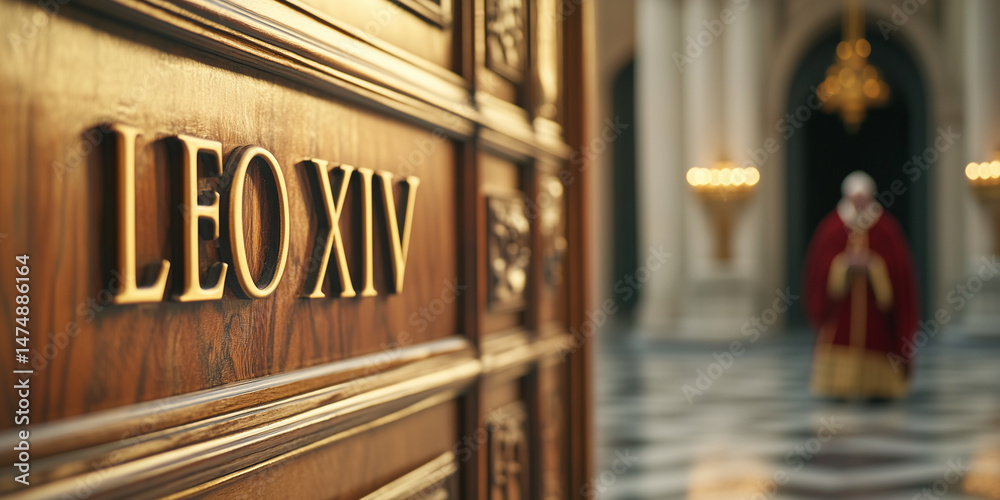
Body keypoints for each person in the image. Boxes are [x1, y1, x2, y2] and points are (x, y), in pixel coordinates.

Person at [803, 171, 919, 399]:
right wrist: (842, 265)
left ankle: (878, 388)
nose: (859, 204)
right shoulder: (832, 228)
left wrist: (874, 265)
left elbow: (900, 272)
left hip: (876, 313)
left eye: (863, 199)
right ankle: (838, 386)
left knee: (878, 341)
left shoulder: (886, 229)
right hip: (841, 311)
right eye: (855, 199)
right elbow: (818, 270)